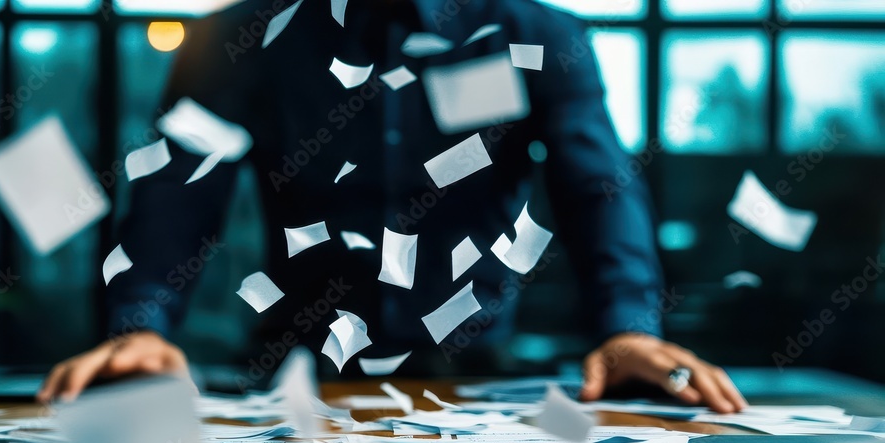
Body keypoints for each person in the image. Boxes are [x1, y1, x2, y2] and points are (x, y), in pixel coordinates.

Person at [38, 0, 747, 413]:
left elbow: (599, 192)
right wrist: (139, 325)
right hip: (295, 378)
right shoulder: (239, 38)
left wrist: (628, 327)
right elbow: (176, 194)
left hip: (475, 377)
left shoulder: (532, 36)